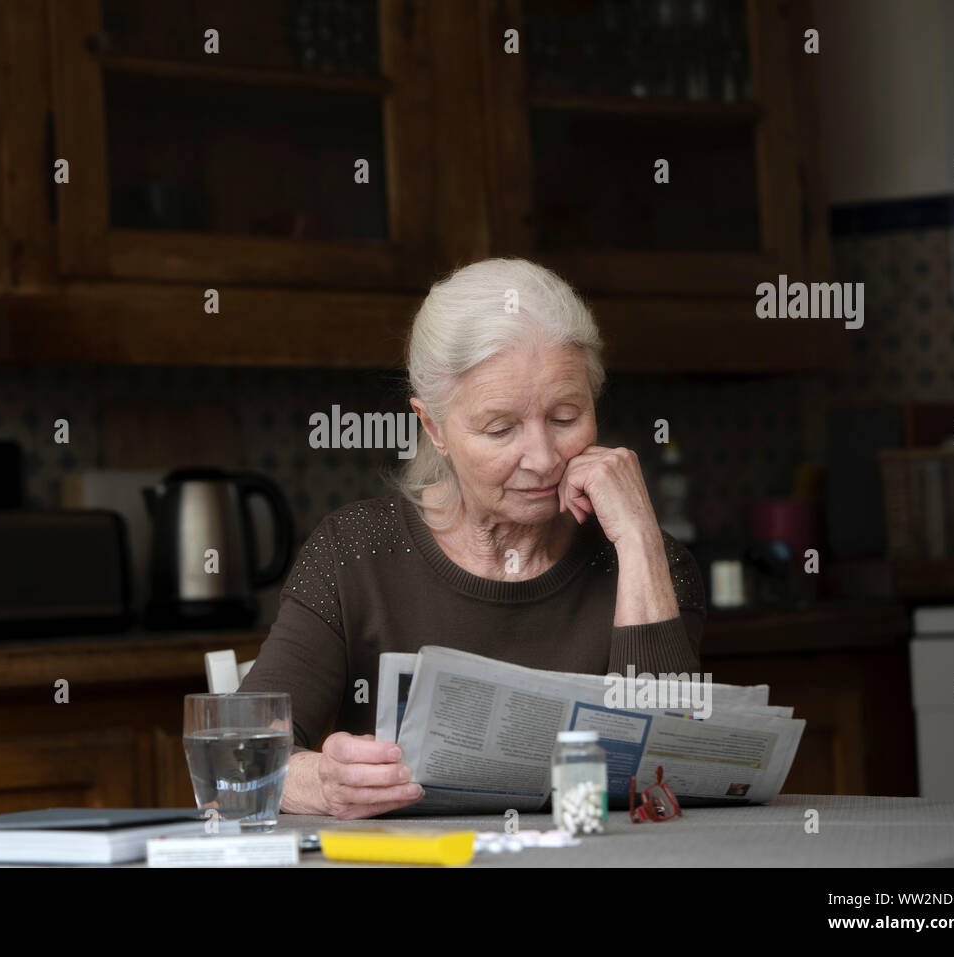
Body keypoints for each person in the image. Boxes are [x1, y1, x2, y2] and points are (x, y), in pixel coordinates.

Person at [238, 257, 705, 819]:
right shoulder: (355, 552)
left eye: (565, 417)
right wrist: (321, 780)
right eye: (500, 428)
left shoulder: (652, 562)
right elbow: (242, 758)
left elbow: (666, 775)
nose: (542, 458)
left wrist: (638, 539)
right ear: (433, 427)